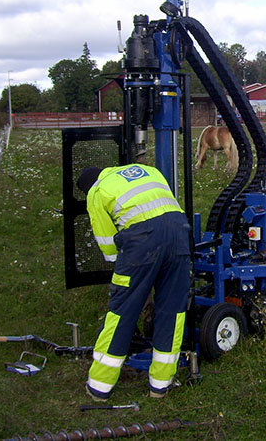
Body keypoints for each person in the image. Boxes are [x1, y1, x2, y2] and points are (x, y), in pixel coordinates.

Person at [76, 163, 191, 400]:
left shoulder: (96, 192)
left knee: (122, 312)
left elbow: (108, 244)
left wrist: (127, 269)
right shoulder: (145, 170)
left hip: (141, 243)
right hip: (180, 234)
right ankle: (160, 385)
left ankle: (99, 386)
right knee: (172, 311)